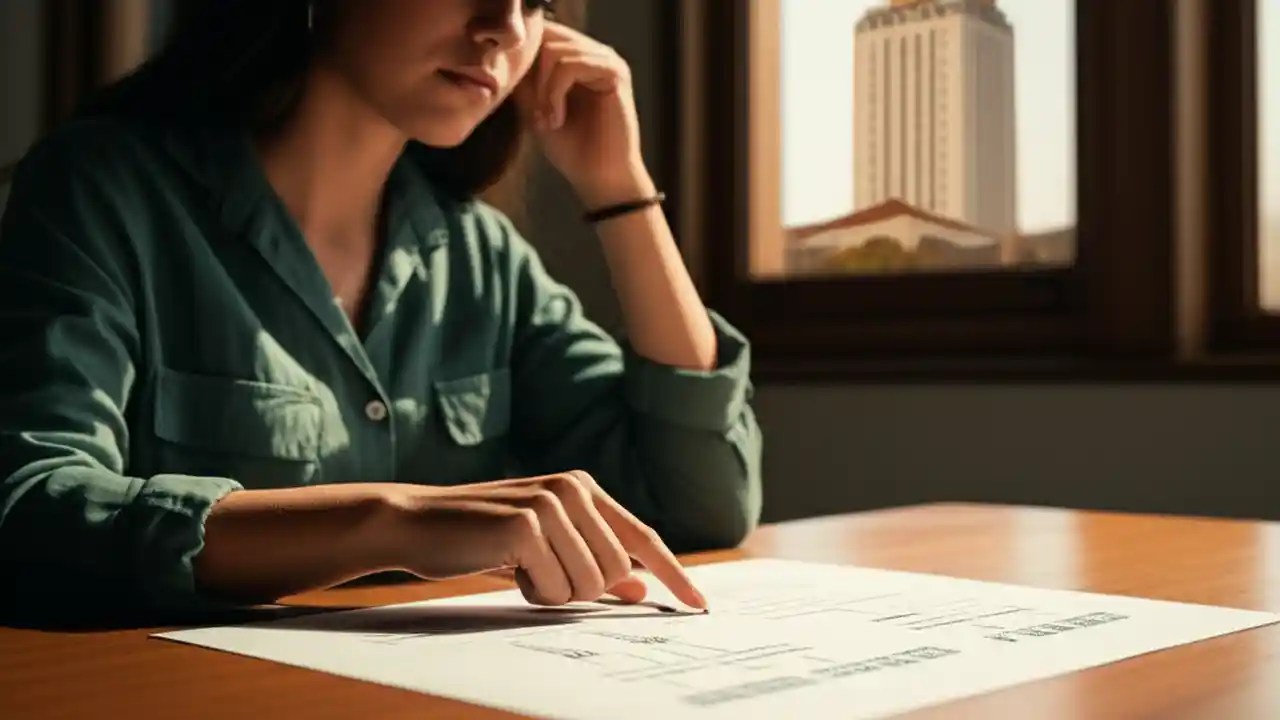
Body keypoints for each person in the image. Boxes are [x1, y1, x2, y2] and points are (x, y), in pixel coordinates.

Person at [0, 0, 762, 618]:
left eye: (537, 2)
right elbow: (30, 510)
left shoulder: (479, 254)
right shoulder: (102, 189)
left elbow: (701, 505)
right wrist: (387, 523)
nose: (504, 26)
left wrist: (619, 188)